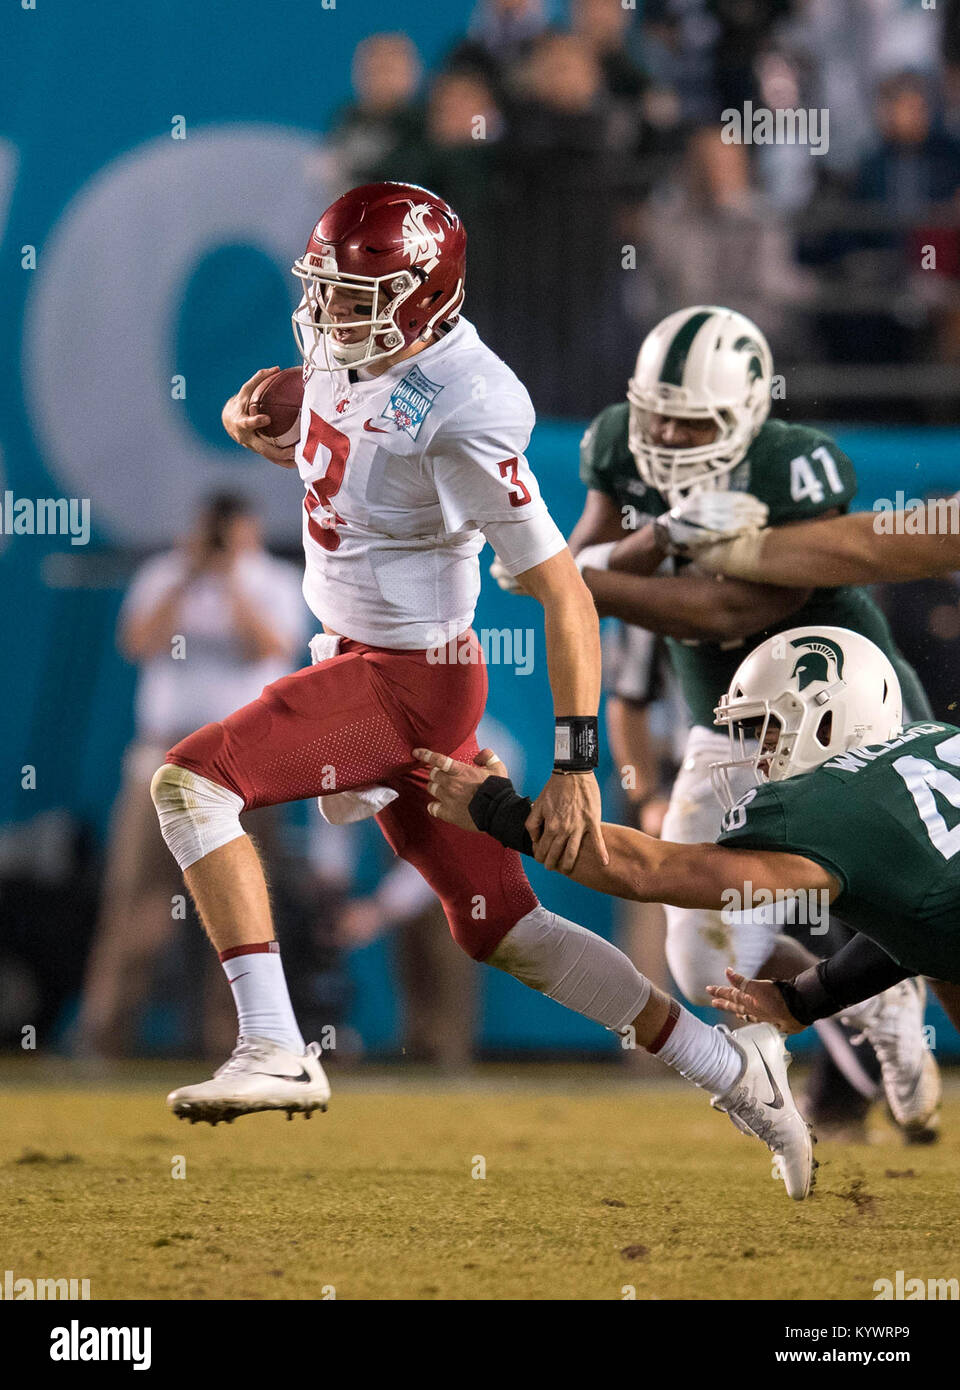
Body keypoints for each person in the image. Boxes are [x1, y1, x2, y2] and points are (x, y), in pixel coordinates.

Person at [145, 184, 817, 1199]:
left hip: (404, 679)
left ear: (422, 300)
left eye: (357, 295)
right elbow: (336, 409)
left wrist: (576, 762)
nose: (332, 314)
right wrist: (272, 415)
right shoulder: (356, 348)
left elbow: (566, 597)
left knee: (192, 785)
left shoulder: (467, 403)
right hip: (356, 660)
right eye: (325, 290)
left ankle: (277, 1043)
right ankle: (735, 1069)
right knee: (503, 927)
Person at [497, 304, 939, 1136]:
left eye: (689, 420)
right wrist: (648, 540)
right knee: (697, 948)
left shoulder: (793, 465)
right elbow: (599, 561)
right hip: (730, 719)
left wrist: (569, 576)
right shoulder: (617, 442)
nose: (664, 434)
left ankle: (896, 1009)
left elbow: (733, 604)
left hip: (847, 704)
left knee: (901, 888)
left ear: (744, 413)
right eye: (654, 412)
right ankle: (876, 1015)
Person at [416, 623, 957, 1132]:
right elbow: (919, 926)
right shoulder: (935, 738)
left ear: (831, 721)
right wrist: (801, 999)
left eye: (771, 730)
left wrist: (498, 810)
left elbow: (649, 870)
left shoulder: (831, 811)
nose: (759, 753)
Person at [76, 493, 307, 1057]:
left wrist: (229, 582)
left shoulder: (274, 580)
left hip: (244, 762)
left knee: (240, 908)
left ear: (250, 530)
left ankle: (238, 1049)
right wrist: (188, 576)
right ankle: (103, 1045)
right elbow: (137, 642)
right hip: (163, 758)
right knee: (137, 902)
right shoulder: (165, 575)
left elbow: (269, 649)